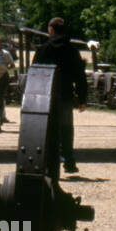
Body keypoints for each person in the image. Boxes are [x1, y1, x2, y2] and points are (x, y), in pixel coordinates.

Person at [32, 17, 88, 174]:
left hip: (45, 97)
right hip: (65, 96)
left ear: (51, 30)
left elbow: (34, 74)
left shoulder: (42, 50)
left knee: (46, 130)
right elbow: (80, 77)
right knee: (66, 130)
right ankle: (69, 162)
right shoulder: (72, 51)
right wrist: (82, 99)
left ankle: (47, 164)